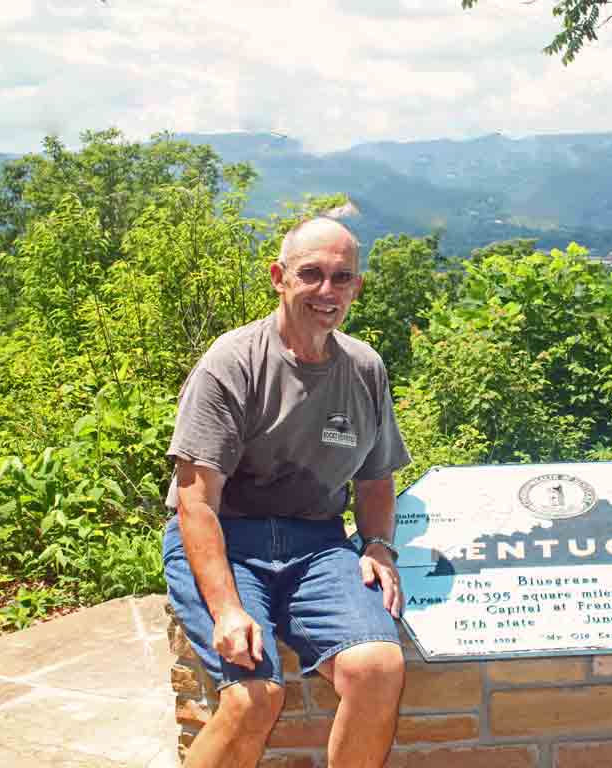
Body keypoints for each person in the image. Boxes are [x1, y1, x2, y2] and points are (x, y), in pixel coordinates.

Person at [162, 213, 411, 768]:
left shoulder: (365, 368)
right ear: (279, 277)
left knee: (378, 670)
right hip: (228, 539)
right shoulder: (233, 363)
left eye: (342, 277)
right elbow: (196, 499)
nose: (327, 290)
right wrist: (227, 610)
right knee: (255, 698)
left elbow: (375, 477)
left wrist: (377, 545)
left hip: (317, 543)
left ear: (357, 287)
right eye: (311, 274)